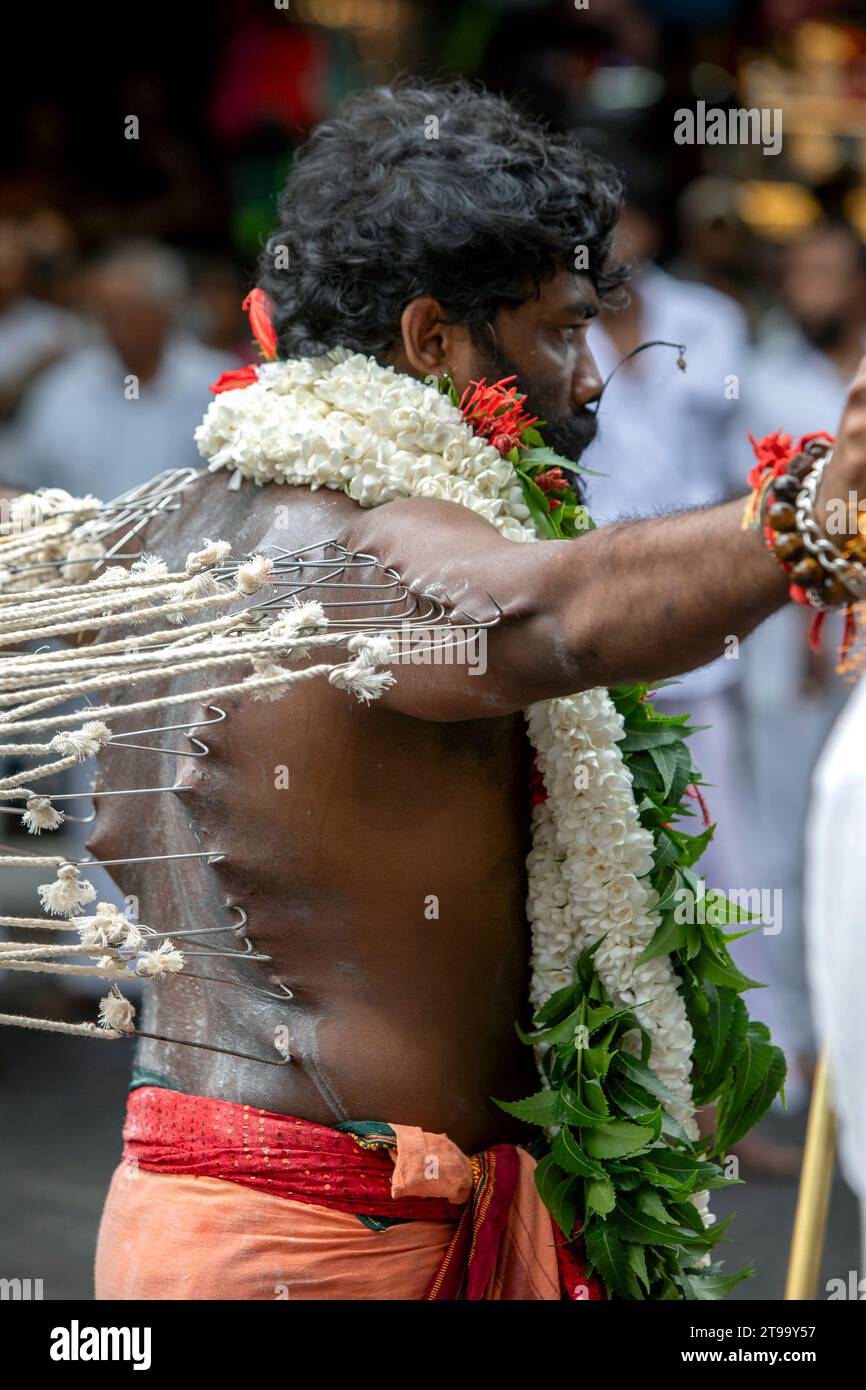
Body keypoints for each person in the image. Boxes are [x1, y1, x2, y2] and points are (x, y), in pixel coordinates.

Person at [15, 81, 866, 1301]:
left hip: (221, 1220)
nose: (587, 380)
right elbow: (550, 616)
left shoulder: (170, 530)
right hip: (323, 1251)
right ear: (430, 340)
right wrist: (806, 522)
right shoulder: (355, 547)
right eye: (560, 331)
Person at [738, 222, 866, 1110]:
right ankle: (798, 1050)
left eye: (826, 269)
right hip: (792, 650)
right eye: (796, 270)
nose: (809, 287)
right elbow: (750, 524)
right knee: (786, 846)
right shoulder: (762, 379)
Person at [15, 239, 234, 498]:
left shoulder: (220, 384)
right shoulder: (63, 387)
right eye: (107, 314)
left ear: (164, 311)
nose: (116, 328)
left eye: (130, 312)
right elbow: (28, 483)